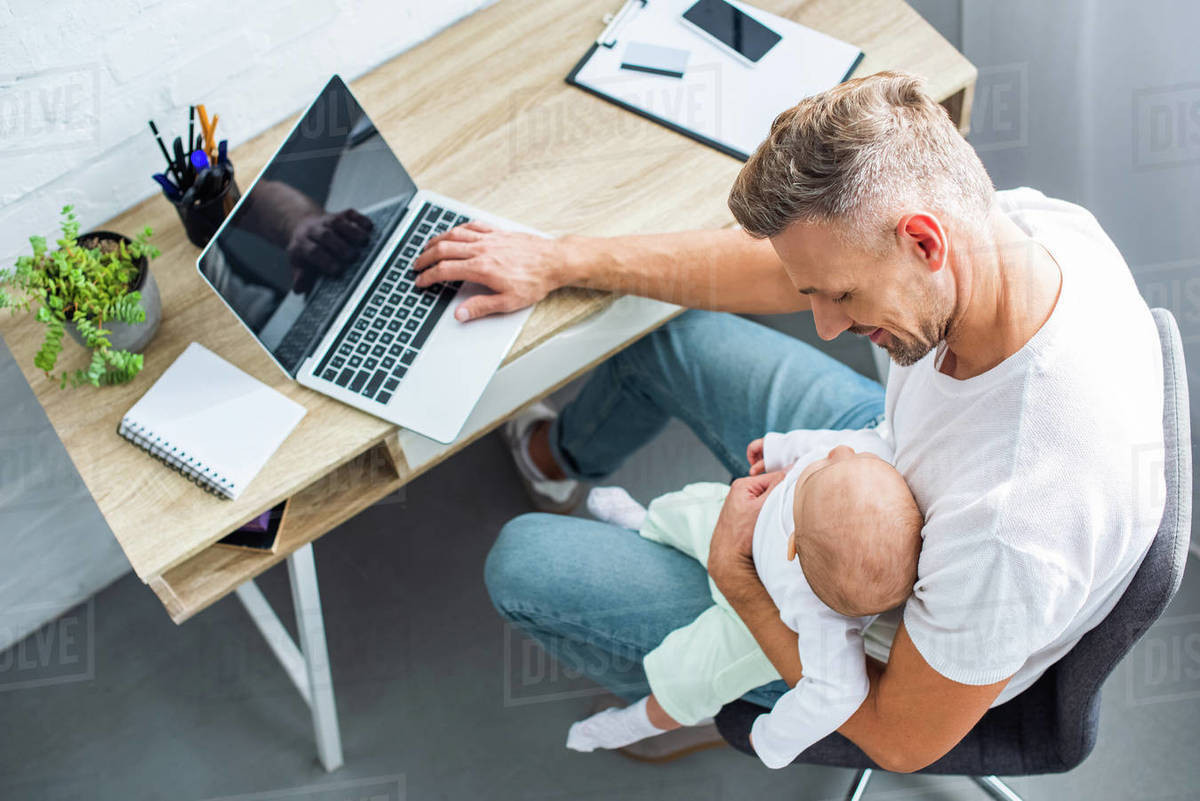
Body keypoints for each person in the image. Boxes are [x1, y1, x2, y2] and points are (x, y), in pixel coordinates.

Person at [414, 71, 1165, 770]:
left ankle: (694, 697)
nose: (825, 324)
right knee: (664, 336)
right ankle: (557, 456)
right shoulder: (1026, 231)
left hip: (869, 620)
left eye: (840, 296)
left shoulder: (1013, 521)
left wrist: (739, 582)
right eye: (817, 291)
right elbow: (786, 269)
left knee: (520, 564)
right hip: (885, 456)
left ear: (925, 244)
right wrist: (560, 259)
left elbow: (901, 739)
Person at [566, 428, 922, 770]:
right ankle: (648, 523)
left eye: (826, 466)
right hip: (744, 525)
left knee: (694, 679)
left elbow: (837, 694)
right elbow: (843, 441)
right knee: (692, 505)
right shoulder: (870, 459)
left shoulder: (823, 623)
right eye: (850, 458)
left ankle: (633, 724)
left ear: (793, 544)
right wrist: (781, 449)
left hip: (758, 622)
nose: (840, 453)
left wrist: (774, 740)